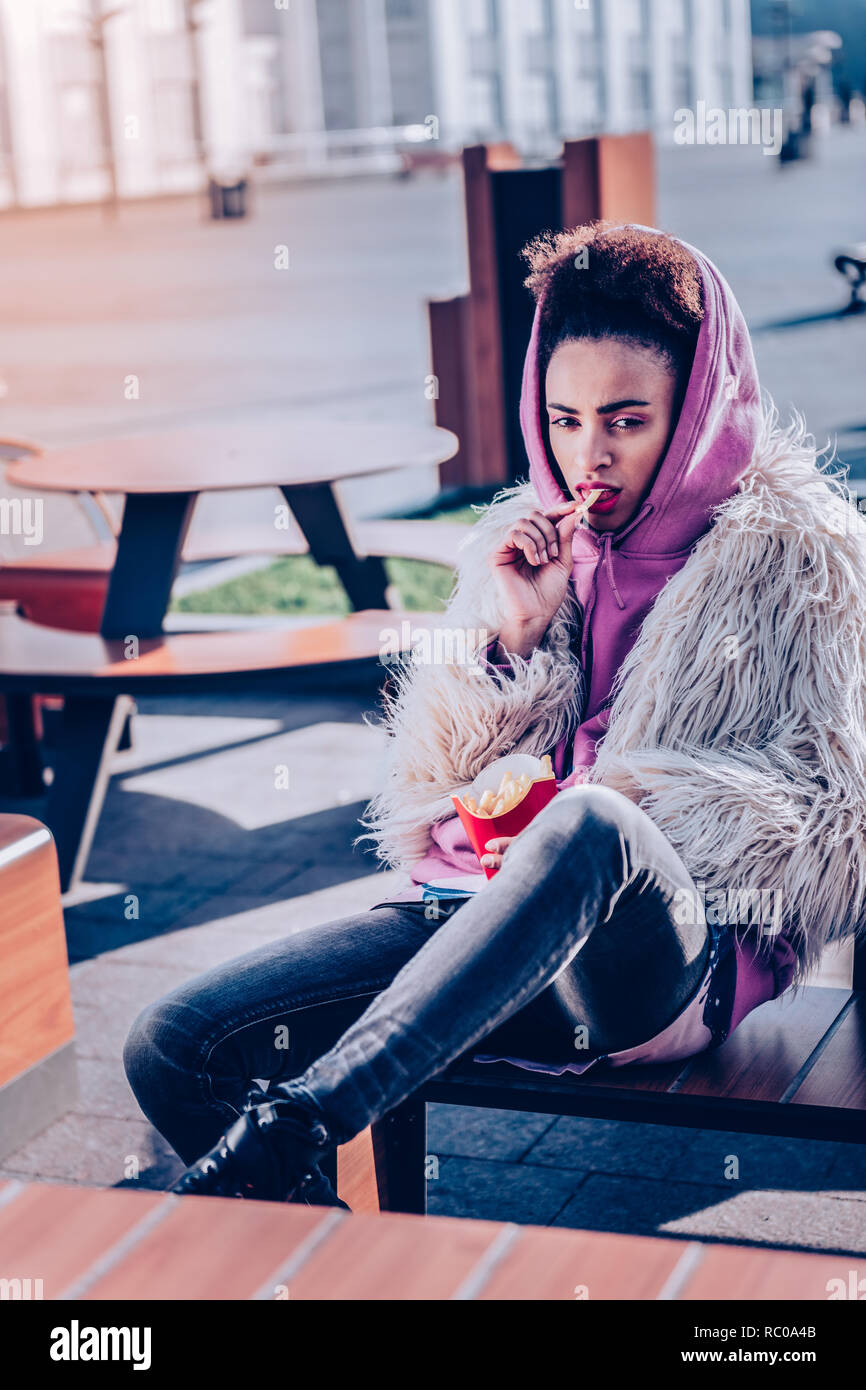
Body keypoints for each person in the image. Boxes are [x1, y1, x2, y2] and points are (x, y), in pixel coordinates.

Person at [123, 221, 866, 1206]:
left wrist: (623, 803)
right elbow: (436, 783)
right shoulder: (524, 547)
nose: (584, 455)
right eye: (561, 419)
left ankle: (302, 1120)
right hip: (476, 923)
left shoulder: (800, 557)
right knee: (173, 1044)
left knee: (592, 821)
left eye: (624, 419)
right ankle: (338, 1263)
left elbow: (831, 813)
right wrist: (512, 639)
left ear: (694, 408)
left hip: (660, 961)